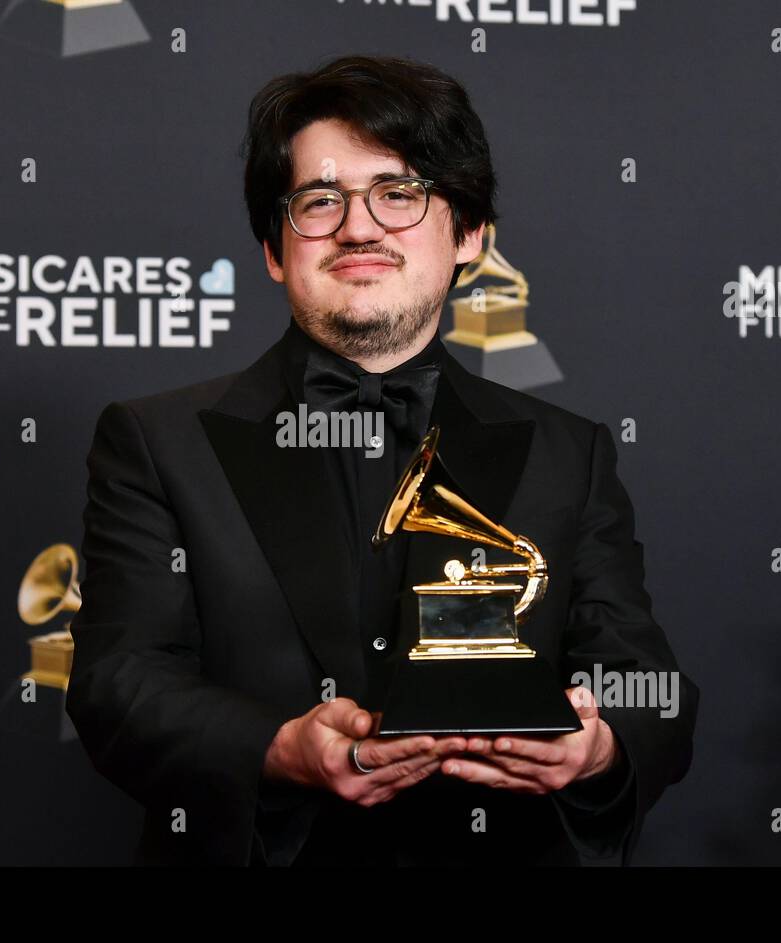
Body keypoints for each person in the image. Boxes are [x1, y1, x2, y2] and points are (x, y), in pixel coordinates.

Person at [66, 54, 697, 866]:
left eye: (399, 195)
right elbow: (119, 687)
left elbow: (651, 692)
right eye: (319, 201)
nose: (358, 228)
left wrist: (600, 746)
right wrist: (280, 747)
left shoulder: (567, 452)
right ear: (273, 246)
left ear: (469, 234)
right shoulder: (156, 440)